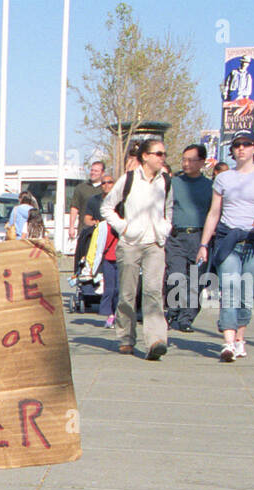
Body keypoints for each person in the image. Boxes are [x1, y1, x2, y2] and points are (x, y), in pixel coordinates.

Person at [196, 131, 254, 362]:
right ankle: (228, 342)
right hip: (228, 240)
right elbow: (214, 213)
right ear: (232, 151)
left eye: (247, 144)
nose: (241, 148)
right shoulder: (223, 179)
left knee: (246, 292)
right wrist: (204, 244)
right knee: (229, 288)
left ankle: (241, 338)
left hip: (253, 242)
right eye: (237, 145)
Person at [101, 138, 174, 359]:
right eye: (158, 154)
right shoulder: (129, 179)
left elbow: (168, 209)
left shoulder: (166, 182)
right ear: (145, 156)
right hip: (131, 242)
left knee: (153, 292)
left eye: (164, 154)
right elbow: (107, 207)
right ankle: (125, 337)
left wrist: (165, 228)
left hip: (155, 243)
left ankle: (155, 340)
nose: (162, 158)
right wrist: (124, 227)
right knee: (127, 293)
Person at [164, 143, 213, 332]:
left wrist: (207, 241)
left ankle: (186, 318)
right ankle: (173, 311)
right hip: (176, 237)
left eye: (191, 160)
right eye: (183, 159)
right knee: (175, 276)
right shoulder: (173, 183)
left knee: (195, 280)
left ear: (202, 162)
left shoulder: (210, 186)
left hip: (199, 237)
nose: (186, 164)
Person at [83, 174, 118, 327]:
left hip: (120, 246)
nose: (106, 185)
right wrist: (99, 225)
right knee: (110, 286)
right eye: (103, 183)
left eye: (109, 182)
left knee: (120, 288)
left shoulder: (120, 200)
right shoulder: (94, 201)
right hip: (104, 245)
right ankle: (110, 314)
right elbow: (87, 219)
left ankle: (119, 314)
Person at [68, 160, 105, 241]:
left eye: (96, 171)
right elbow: (74, 207)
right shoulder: (81, 188)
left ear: (102, 173)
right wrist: (71, 227)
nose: (93, 172)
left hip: (103, 230)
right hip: (84, 230)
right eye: (92, 170)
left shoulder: (106, 188)